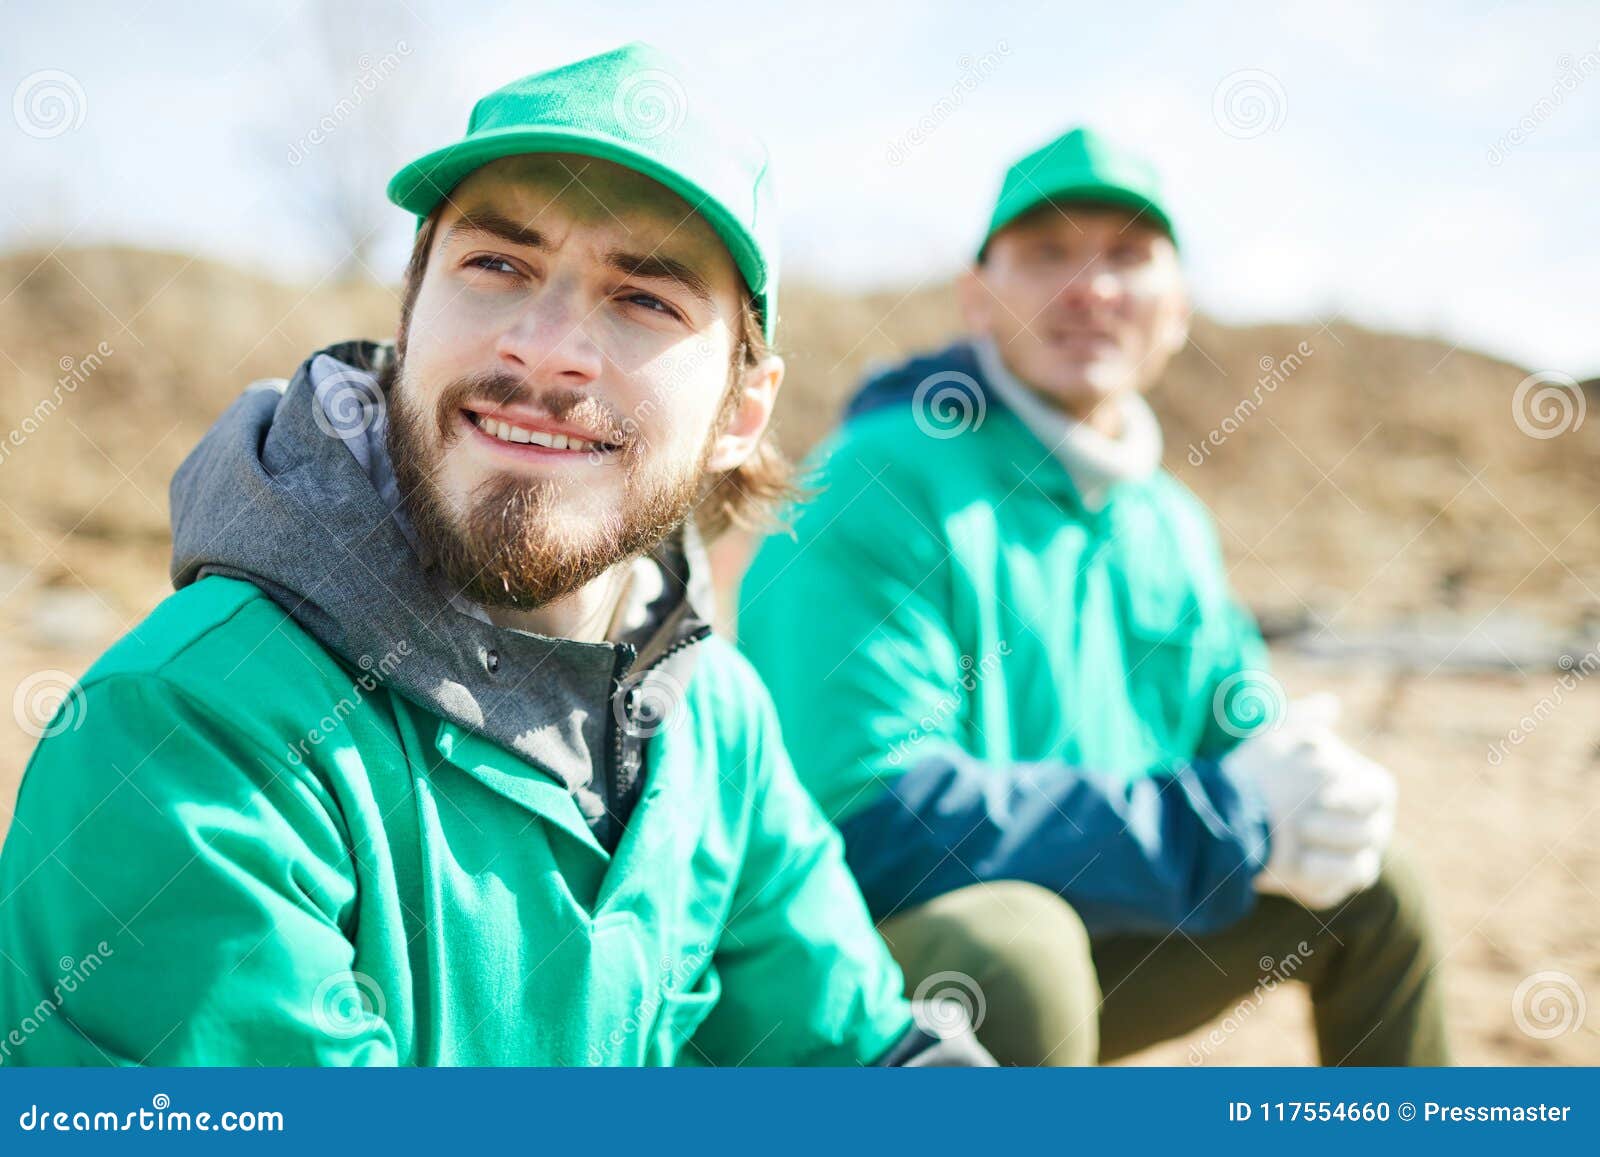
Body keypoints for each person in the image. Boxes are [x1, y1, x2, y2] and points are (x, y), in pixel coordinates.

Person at [0, 44, 987, 1068]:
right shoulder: (193, 724)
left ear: (741, 413)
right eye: (497, 266)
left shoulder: (710, 716)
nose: (547, 343)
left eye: (645, 297)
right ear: (410, 320)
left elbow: (864, 1048)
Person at [738, 126, 1450, 1066]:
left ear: (1180, 309)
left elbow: (1231, 721)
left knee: (1374, 888)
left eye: (1127, 256)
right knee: (1017, 947)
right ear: (977, 296)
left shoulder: (1168, 520)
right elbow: (874, 823)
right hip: (868, 965)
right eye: (1047, 253)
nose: (1090, 288)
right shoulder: (875, 481)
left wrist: (1310, 777)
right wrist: (1223, 821)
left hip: (1093, 937)